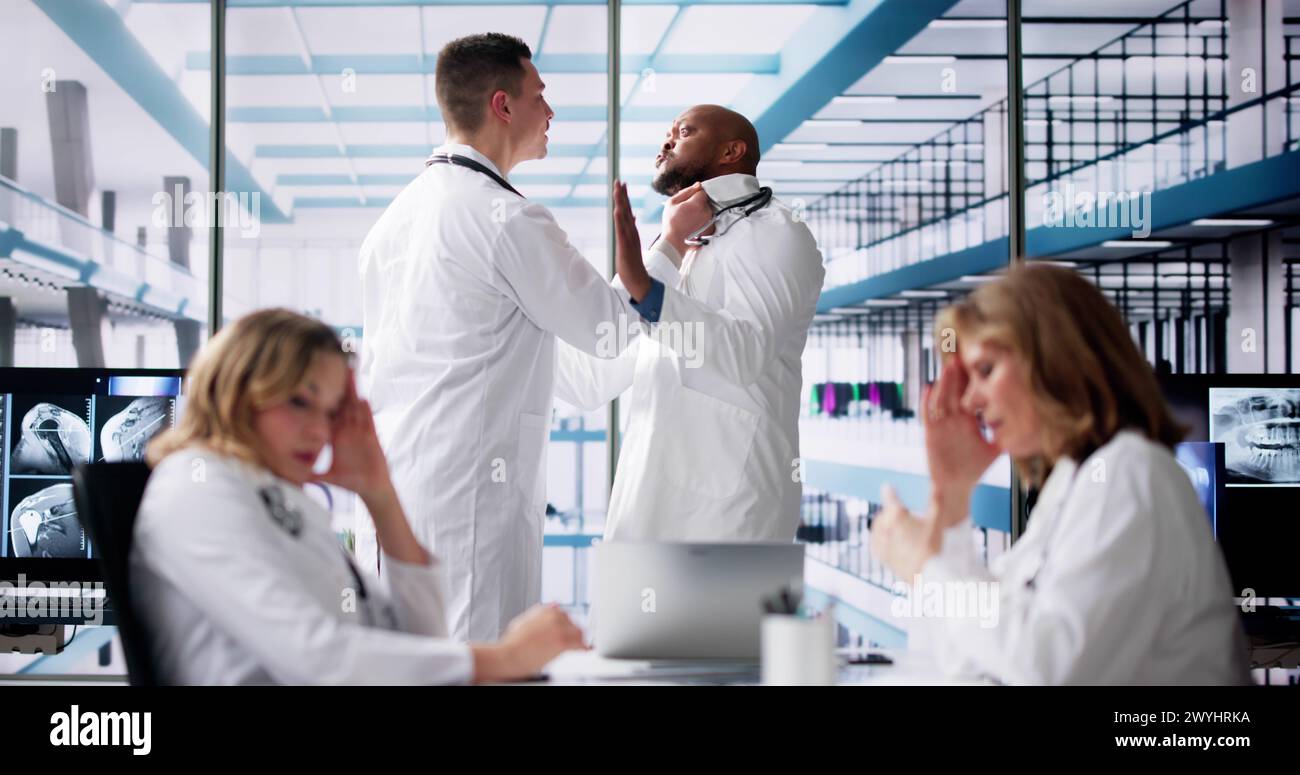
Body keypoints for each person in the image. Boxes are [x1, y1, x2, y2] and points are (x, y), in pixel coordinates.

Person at [354, 34, 696, 640]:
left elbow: (582, 377)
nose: (551, 111)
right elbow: (613, 330)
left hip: (398, 500)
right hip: (470, 511)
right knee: (478, 669)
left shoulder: (392, 224)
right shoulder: (507, 219)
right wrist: (668, 243)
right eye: (541, 95)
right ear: (503, 105)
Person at [132, 309, 587, 685]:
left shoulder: (280, 499)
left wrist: (380, 493)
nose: (318, 430)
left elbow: (421, 636)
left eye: (330, 412)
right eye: (298, 402)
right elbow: (318, 659)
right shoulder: (197, 489)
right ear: (235, 388)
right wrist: (504, 659)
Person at [869, 264, 1250, 685]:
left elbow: (1048, 669)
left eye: (987, 370)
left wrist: (925, 566)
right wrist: (951, 497)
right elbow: (966, 659)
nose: (972, 399)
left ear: (1055, 359)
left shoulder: (1130, 473)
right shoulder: (1073, 482)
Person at [555, 105, 825, 541]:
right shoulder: (679, 240)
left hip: (732, 523)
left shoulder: (778, 230)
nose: (667, 141)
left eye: (683, 131)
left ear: (731, 151)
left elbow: (745, 353)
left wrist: (648, 292)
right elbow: (594, 378)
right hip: (643, 513)